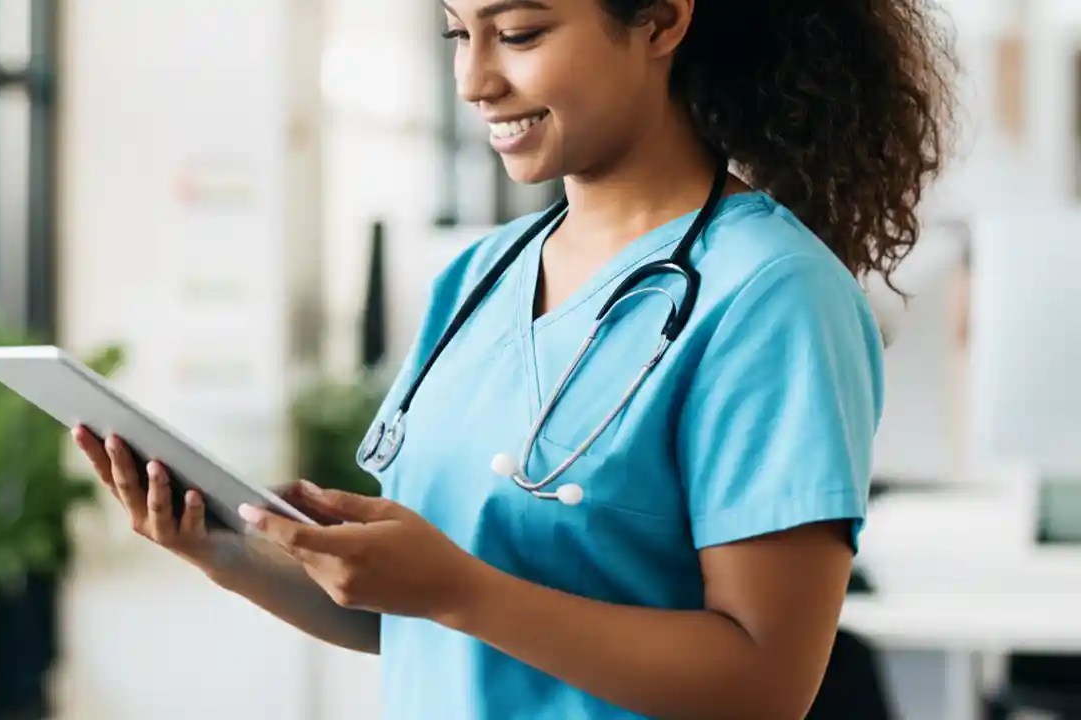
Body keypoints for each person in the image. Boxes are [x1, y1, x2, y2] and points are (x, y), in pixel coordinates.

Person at [72, 0, 956, 717]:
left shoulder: (769, 294)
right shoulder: (476, 276)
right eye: (459, 33)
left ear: (660, 22)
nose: (474, 79)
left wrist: (461, 589)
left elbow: (764, 686)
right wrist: (224, 551)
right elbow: (418, 620)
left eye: (520, 34)